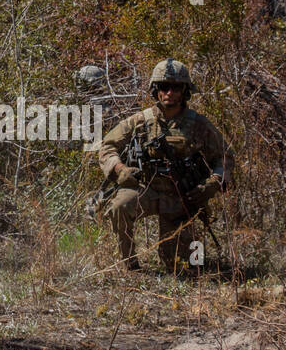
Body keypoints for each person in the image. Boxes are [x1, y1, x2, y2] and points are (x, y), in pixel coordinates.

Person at [96, 59, 233, 271]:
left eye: (176, 87)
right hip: (147, 190)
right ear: (155, 90)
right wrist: (120, 169)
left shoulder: (198, 124)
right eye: (164, 87)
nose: (170, 92)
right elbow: (107, 146)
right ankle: (129, 266)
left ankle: (195, 263)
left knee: (185, 268)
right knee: (120, 206)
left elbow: (224, 157)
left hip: (181, 197)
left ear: (185, 91)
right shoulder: (141, 121)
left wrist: (213, 183)